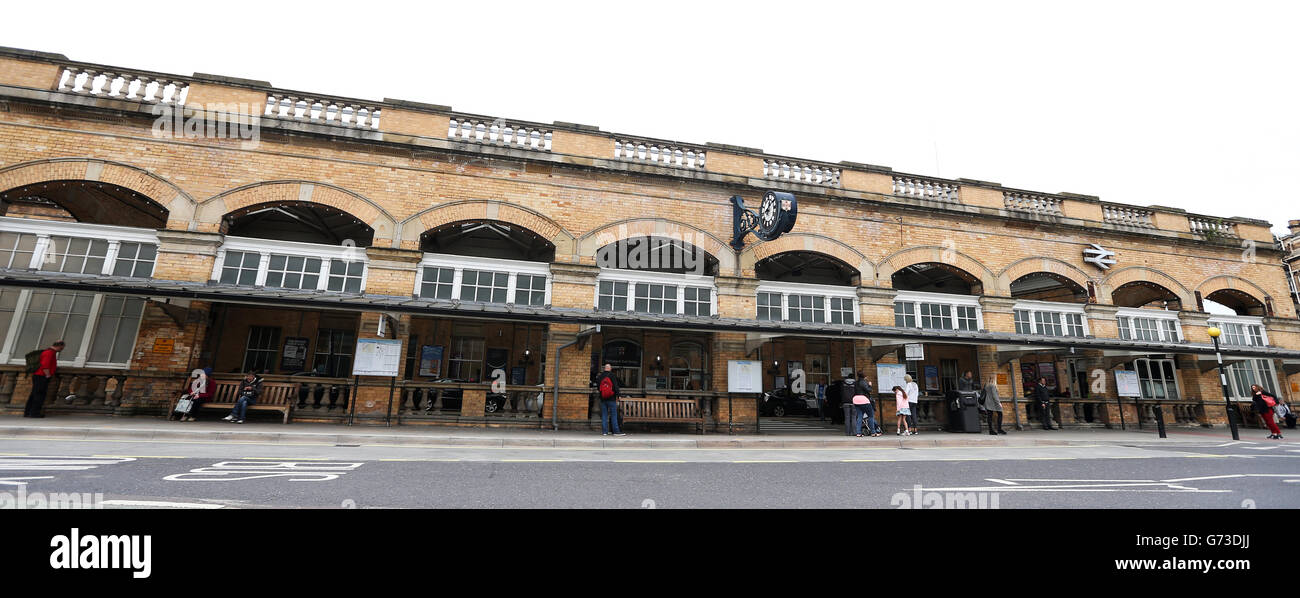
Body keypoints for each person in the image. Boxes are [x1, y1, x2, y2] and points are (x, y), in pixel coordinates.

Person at [23, 341, 65, 418]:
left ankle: (28, 412)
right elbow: (45, 365)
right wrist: (48, 375)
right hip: (41, 376)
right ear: (59, 346)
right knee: (39, 395)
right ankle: (34, 413)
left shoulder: (48, 352)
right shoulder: (50, 353)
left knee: (34, 394)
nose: (62, 350)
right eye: (62, 348)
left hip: (38, 375)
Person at [593, 363, 626, 436]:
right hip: (611, 398)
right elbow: (615, 386)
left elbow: (598, 387)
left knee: (604, 415)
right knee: (613, 415)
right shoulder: (612, 375)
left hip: (603, 399)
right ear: (610, 369)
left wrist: (603, 393)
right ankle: (616, 431)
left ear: (604, 368)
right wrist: (618, 395)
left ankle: (605, 432)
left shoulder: (600, 376)